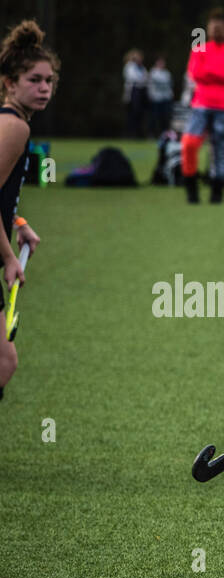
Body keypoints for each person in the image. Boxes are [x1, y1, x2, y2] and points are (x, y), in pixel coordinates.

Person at [0, 19, 56, 403]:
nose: (44, 88)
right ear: (9, 83)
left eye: (49, 81)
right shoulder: (14, 126)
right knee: (4, 362)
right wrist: (8, 258)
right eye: (34, 80)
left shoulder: (12, 123)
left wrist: (18, 222)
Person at [182, 7, 224, 204]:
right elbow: (195, 73)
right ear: (208, 29)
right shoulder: (199, 47)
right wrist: (218, 73)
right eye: (213, 27)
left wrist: (209, 72)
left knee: (219, 150)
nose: (217, 31)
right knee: (189, 144)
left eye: (220, 27)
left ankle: (217, 192)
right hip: (200, 106)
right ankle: (191, 187)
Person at [122, 49, 148, 138]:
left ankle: (138, 133)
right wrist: (141, 80)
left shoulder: (141, 67)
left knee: (140, 113)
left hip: (141, 91)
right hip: (134, 91)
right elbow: (134, 78)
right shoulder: (129, 66)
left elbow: (145, 78)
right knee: (133, 113)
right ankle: (130, 133)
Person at [148, 55, 173, 136]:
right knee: (154, 117)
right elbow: (152, 84)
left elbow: (169, 85)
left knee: (165, 117)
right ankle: (152, 134)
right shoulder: (153, 72)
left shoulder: (166, 73)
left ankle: (164, 134)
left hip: (165, 98)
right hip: (156, 98)